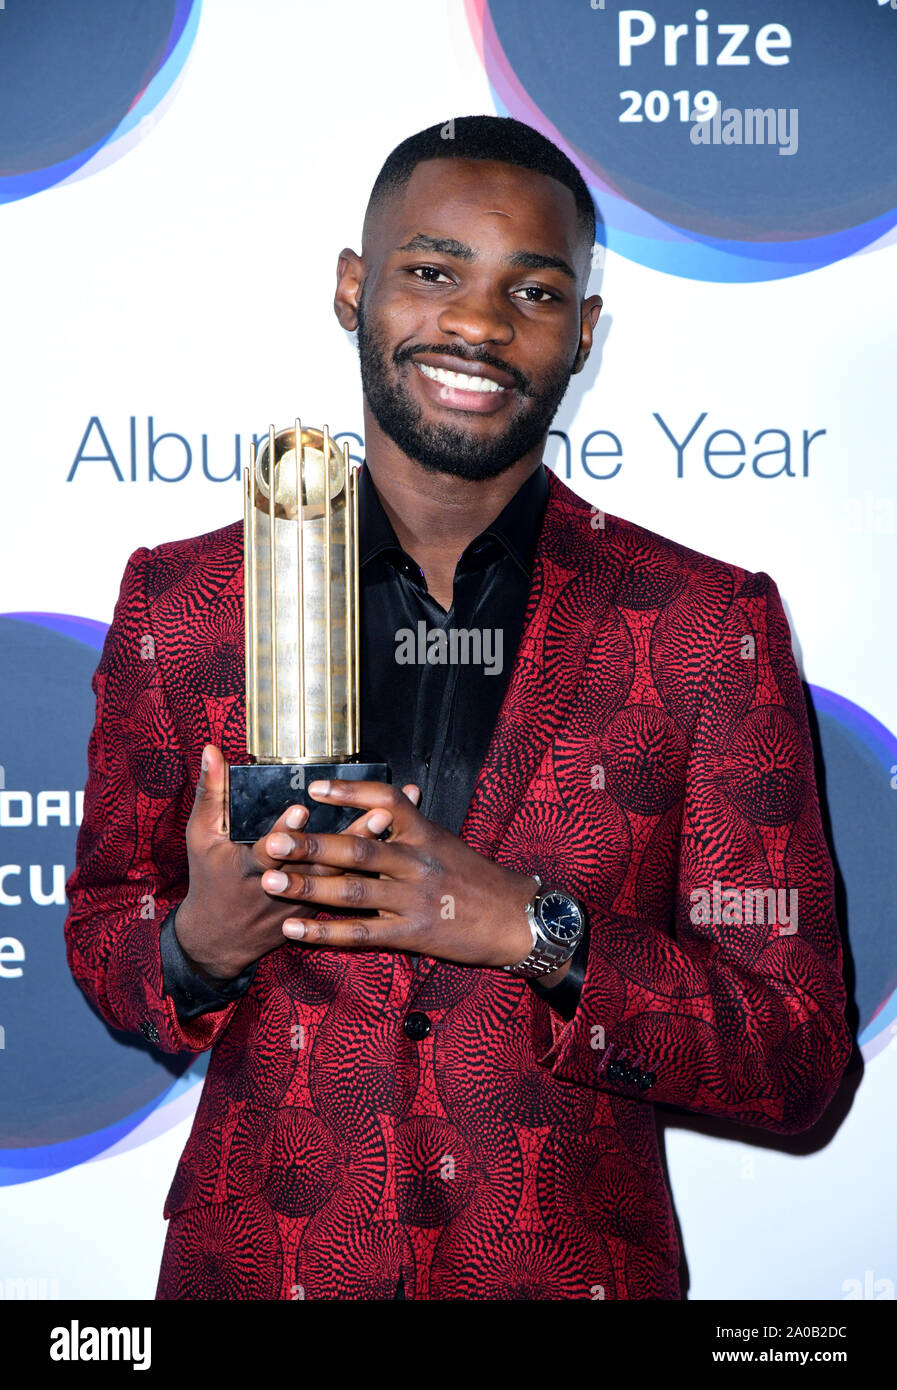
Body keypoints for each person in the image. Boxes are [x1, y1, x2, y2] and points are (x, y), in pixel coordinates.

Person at [65, 115, 852, 1301]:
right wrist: (195, 947)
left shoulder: (703, 627)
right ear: (353, 288)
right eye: (433, 272)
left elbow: (792, 1051)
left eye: (533, 292)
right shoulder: (186, 602)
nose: (479, 325)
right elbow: (104, 923)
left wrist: (535, 929)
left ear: (584, 333)